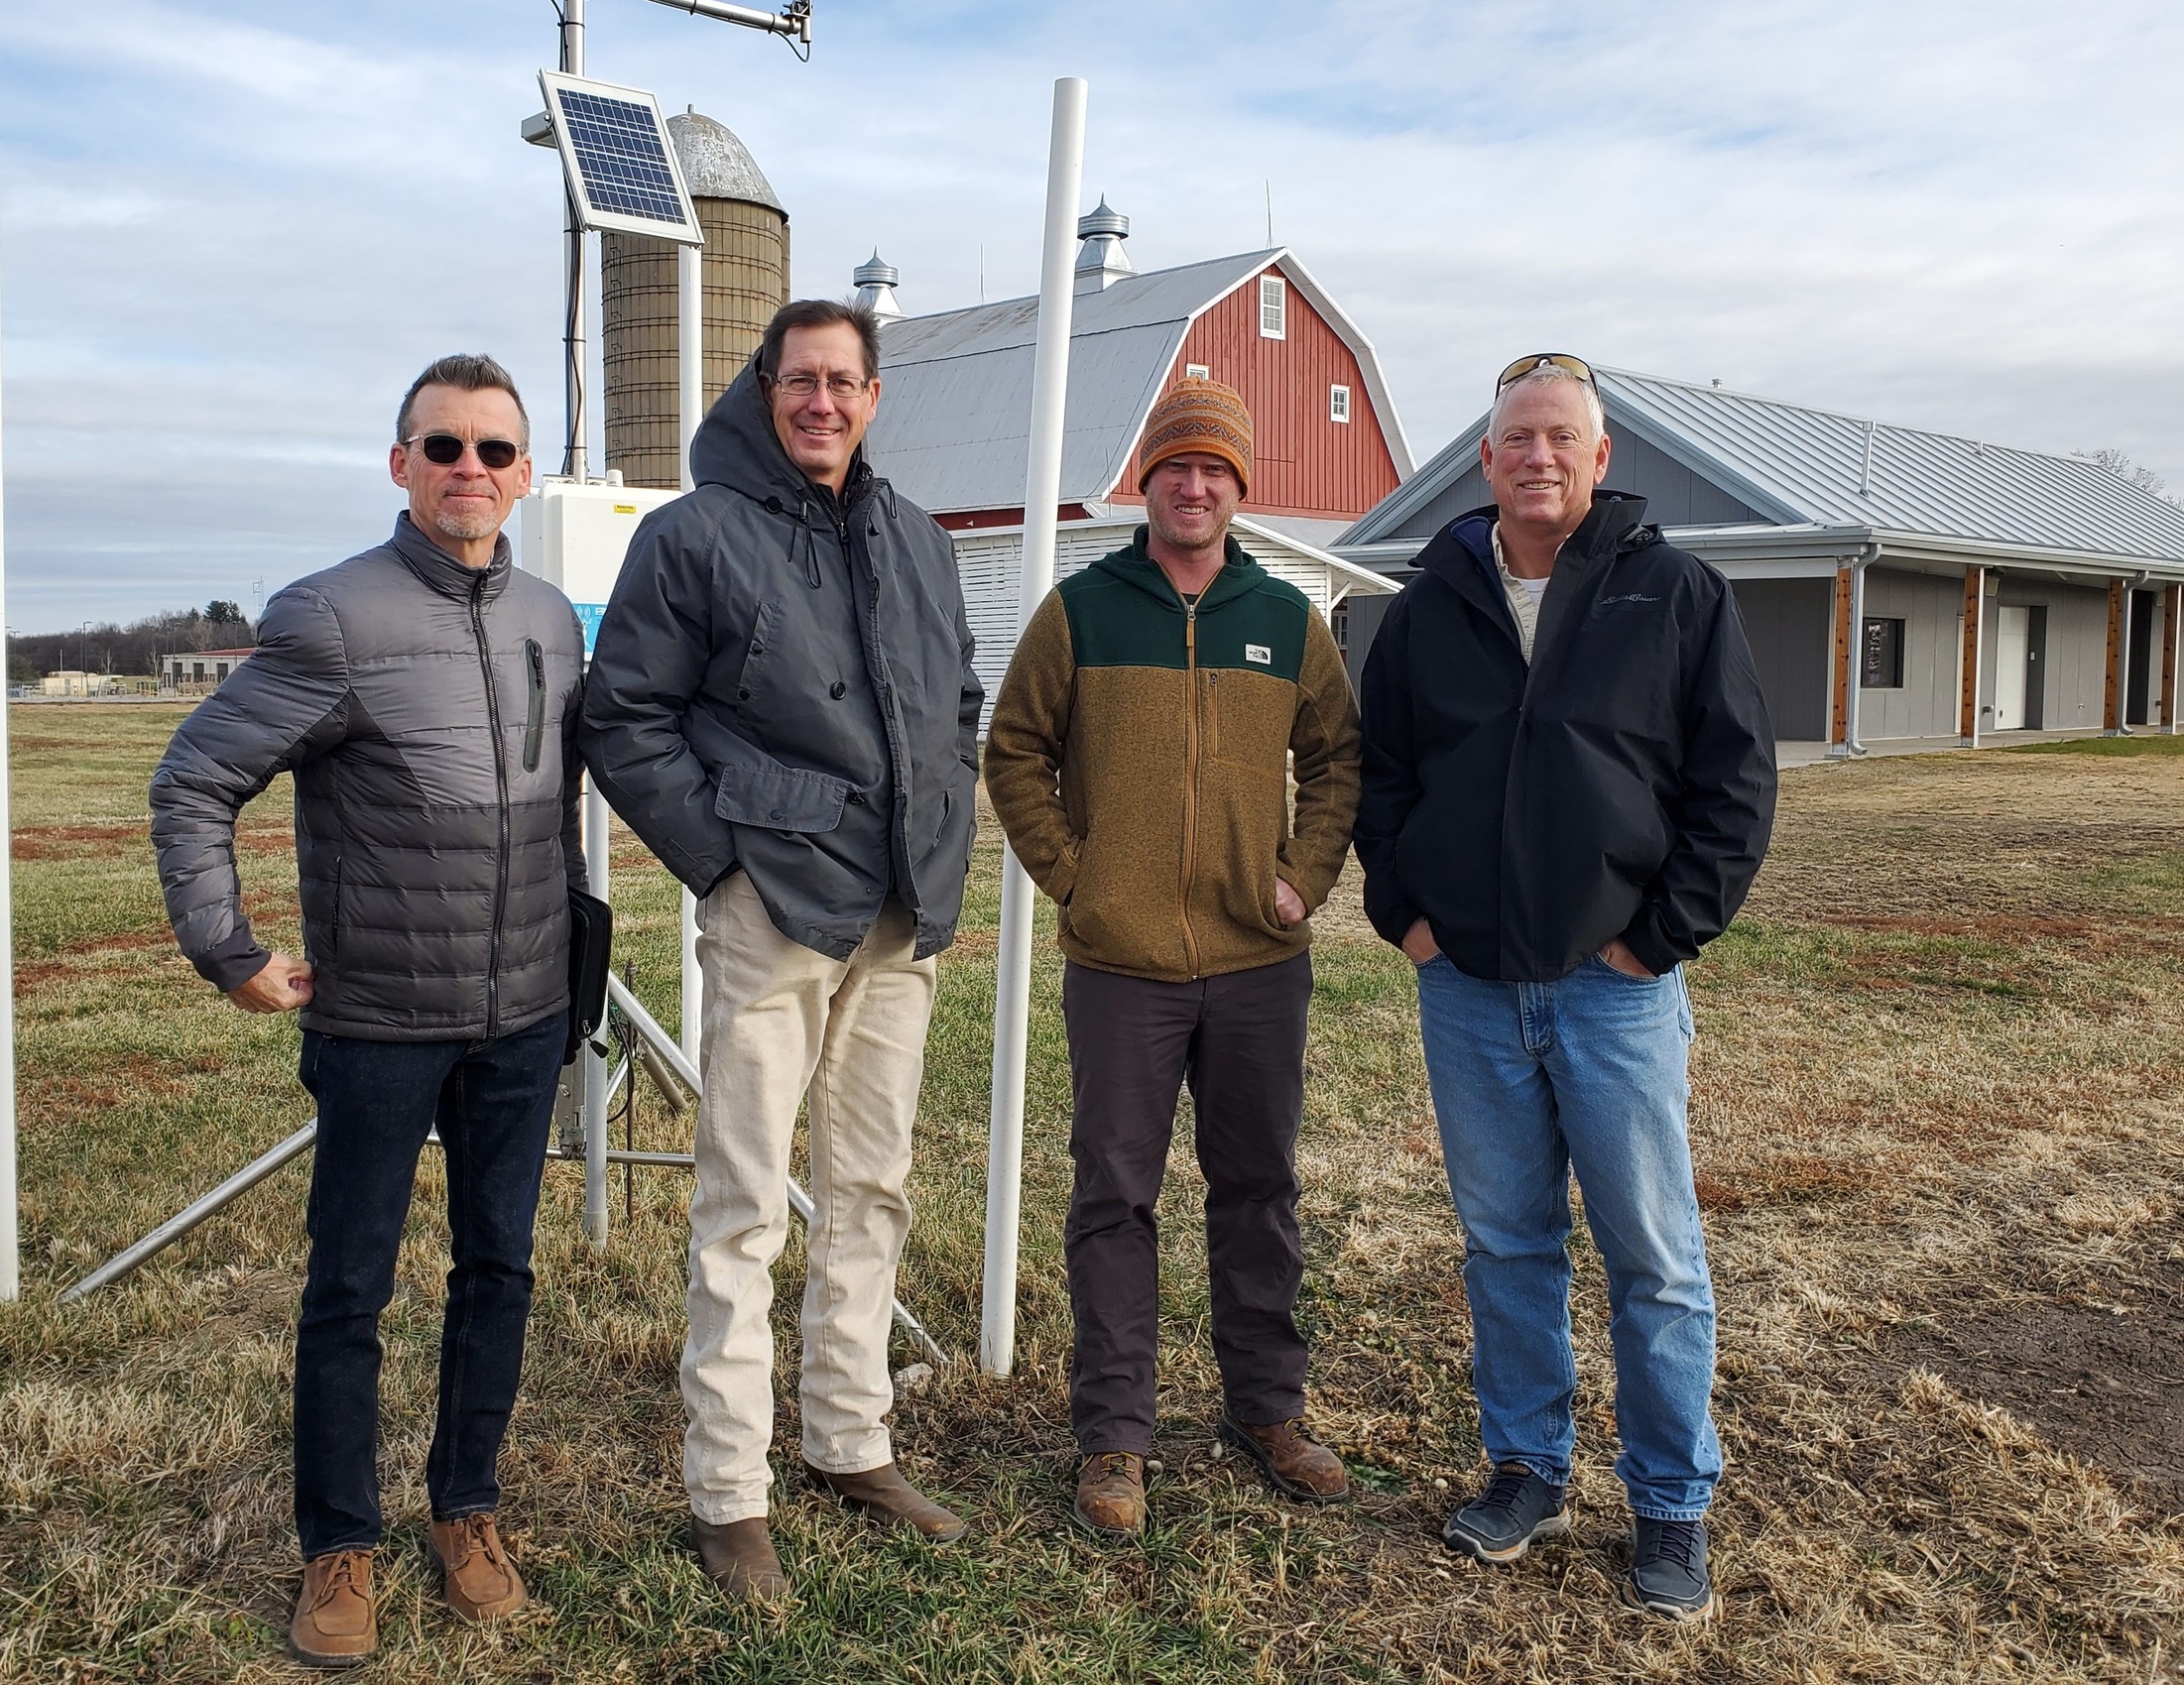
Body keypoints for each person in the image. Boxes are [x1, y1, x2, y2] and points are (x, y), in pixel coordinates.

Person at [149, 355, 585, 1668]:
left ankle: (467, 1510)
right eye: (442, 446)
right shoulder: (329, 617)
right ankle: (340, 1541)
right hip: (383, 1022)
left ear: (525, 473)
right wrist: (225, 949)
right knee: (351, 1285)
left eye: (495, 451)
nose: (470, 470)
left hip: (524, 1017)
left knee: (499, 1271)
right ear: (401, 465)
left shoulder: (556, 620)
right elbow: (193, 782)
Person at [1353, 352, 1775, 1625]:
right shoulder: (1429, 605)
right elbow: (1382, 777)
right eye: (1514, 438)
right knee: (1506, 1245)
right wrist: (1410, 922)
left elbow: (1734, 786)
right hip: (1469, 988)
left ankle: (1669, 1505)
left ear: (1601, 461)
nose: (1537, 455)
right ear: (1485, 462)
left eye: (1561, 438)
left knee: (1652, 1257)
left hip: (1615, 992)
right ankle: (1528, 1466)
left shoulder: (1677, 594)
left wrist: (1656, 942)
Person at [581, 297, 983, 1602]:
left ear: (873, 398)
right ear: (766, 392)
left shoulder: (915, 540)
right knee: (744, 1205)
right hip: (775, 906)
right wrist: (724, 857)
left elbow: (955, 702)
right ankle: (728, 1487)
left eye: (844, 382)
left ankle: (850, 1439)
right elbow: (623, 715)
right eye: (799, 380)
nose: (822, 401)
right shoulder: (692, 537)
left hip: (900, 913)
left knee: (871, 1188)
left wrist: (943, 822)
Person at [983, 374, 1364, 1536]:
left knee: (1257, 1188)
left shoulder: (1287, 618)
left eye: (1215, 469)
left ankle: (1267, 1409)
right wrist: (1080, 879)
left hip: (1258, 961)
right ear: (1144, 479)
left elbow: (1339, 757)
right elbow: (1014, 753)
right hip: (1123, 966)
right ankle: (1114, 1438)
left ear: (1239, 487)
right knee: (1114, 1199)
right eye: (1174, 465)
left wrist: (1303, 876)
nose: (1193, 486)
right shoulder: (1080, 611)